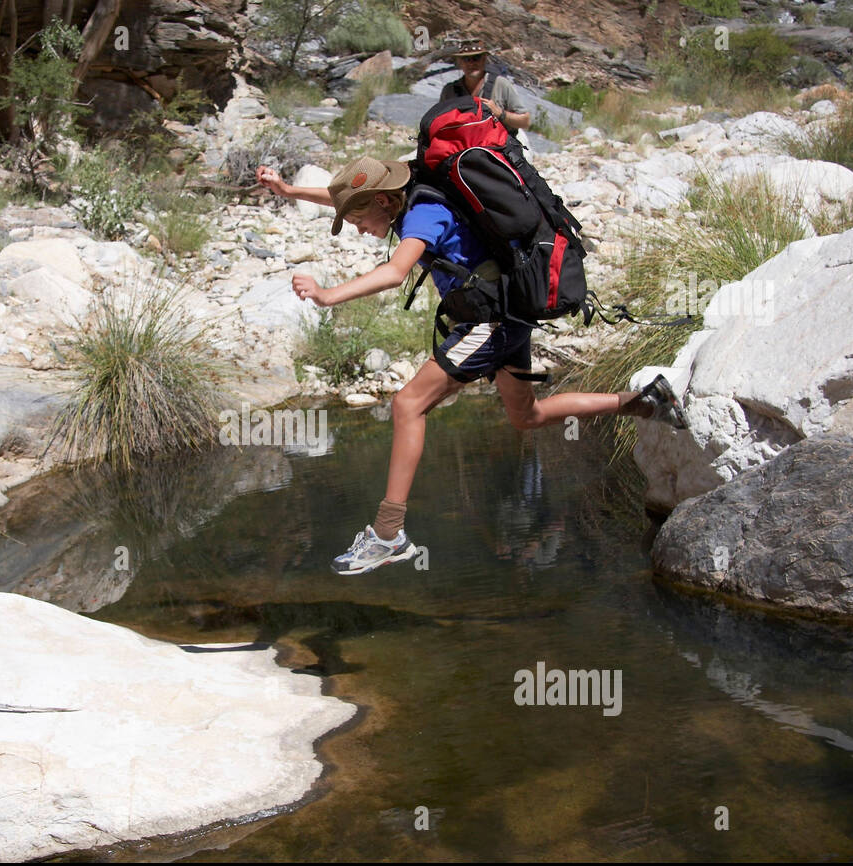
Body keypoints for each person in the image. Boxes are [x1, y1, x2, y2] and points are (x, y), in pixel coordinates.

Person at [257, 156, 687, 575]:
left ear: (384, 201)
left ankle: (388, 535)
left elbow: (394, 272)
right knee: (527, 415)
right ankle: (646, 402)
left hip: (489, 324)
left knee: (407, 405)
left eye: (359, 222)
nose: (363, 231)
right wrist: (290, 190)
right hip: (509, 317)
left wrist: (328, 294)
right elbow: (348, 200)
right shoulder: (409, 196)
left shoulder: (423, 214)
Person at [439, 40, 531, 133]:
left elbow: (525, 121)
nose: (471, 63)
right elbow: (438, 121)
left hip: (497, 145)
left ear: (484, 59)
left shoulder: (501, 84)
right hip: (462, 144)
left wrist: (499, 113)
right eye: (466, 59)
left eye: (476, 58)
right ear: (460, 62)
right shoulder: (449, 91)